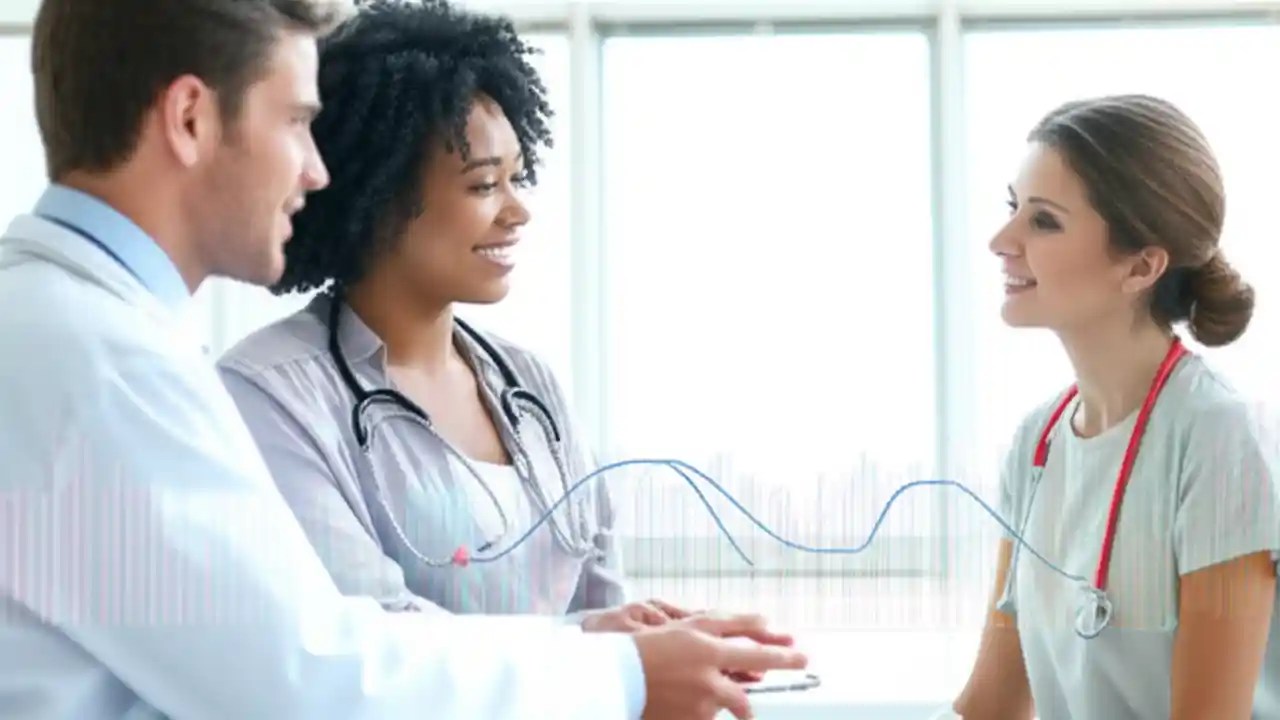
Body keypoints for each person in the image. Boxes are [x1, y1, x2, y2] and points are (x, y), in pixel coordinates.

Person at [0, 1, 807, 718]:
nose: (317, 170)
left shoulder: (77, 336)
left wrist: (610, 649)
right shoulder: (100, 366)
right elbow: (312, 680)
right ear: (189, 119)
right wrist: (618, 677)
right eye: (293, 122)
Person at [216, 0, 685, 634]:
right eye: (484, 185)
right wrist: (590, 645)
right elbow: (368, 635)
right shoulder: (270, 394)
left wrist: (659, 639)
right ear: (379, 198)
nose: (517, 212)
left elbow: (601, 608)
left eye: (517, 178)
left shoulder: (530, 386)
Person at [949, 94, 1280, 719]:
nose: (1002, 240)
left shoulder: (1215, 438)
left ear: (1141, 266)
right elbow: (991, 705)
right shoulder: (1036, 444)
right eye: (1013, 208)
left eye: (1043, 221)